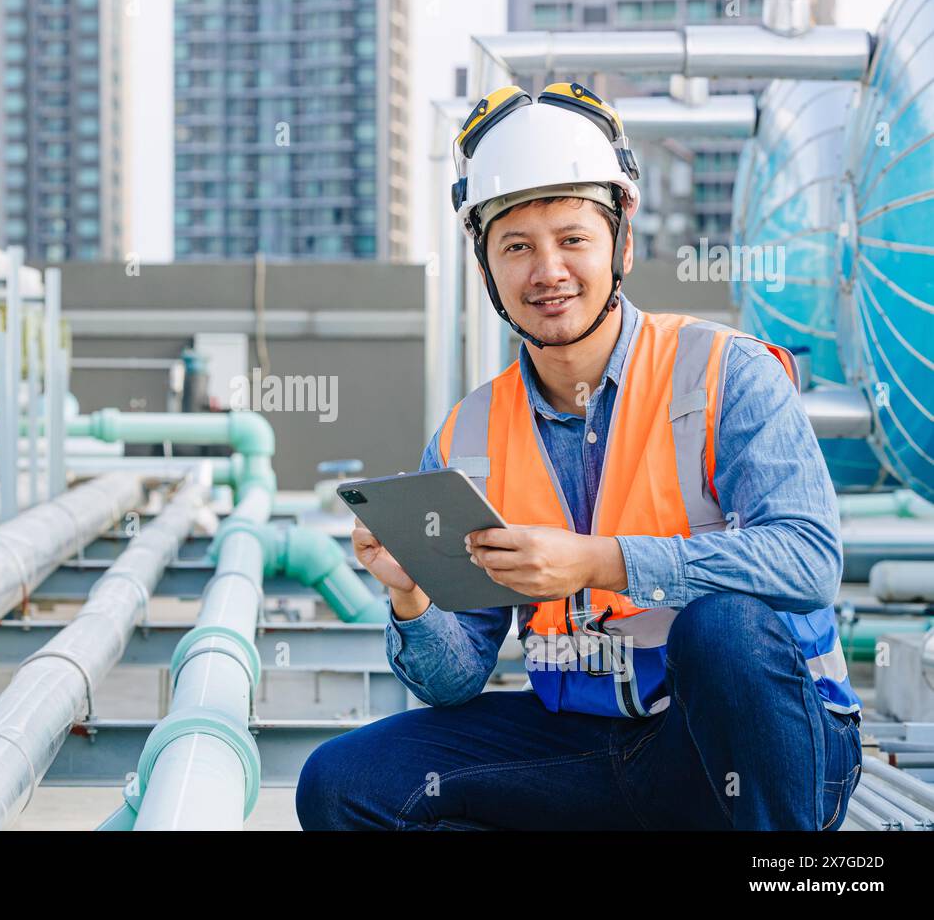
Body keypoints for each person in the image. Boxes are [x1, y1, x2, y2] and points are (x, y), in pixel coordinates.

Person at [295, 82, 863, 831]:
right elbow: (453, 680)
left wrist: (600, 562)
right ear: (486, 267)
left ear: (620, 243)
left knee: (721, 627)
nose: (547, 271)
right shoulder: (469, 435)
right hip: (600, 746)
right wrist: (413, 597)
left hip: (763, 753)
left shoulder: (727, 373)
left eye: (572, 239)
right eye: (517, 247)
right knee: (342, 782)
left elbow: (808, 561)